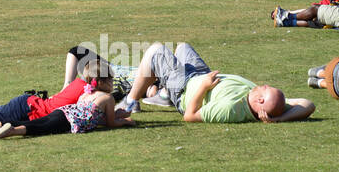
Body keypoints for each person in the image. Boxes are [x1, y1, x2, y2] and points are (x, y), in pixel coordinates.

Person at [0, 61, 136, 139]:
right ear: (99, 81)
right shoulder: (88, 93)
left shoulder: (81, 86)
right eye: (110, 80)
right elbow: (97, 112)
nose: (112, 84)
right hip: (29, 110)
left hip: (29, 103)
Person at [116, 42, 315, 123]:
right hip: (200, 75)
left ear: (261, 102)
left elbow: (190, 116)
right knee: (183, 47)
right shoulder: (265, 102)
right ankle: (163, 93)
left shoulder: (230, 108)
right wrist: (277, 120)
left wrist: (203, 87)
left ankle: (131, 102)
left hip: (186, 88)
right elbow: (308, 104)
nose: (262, 85)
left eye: (265, 88)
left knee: (156, 50)